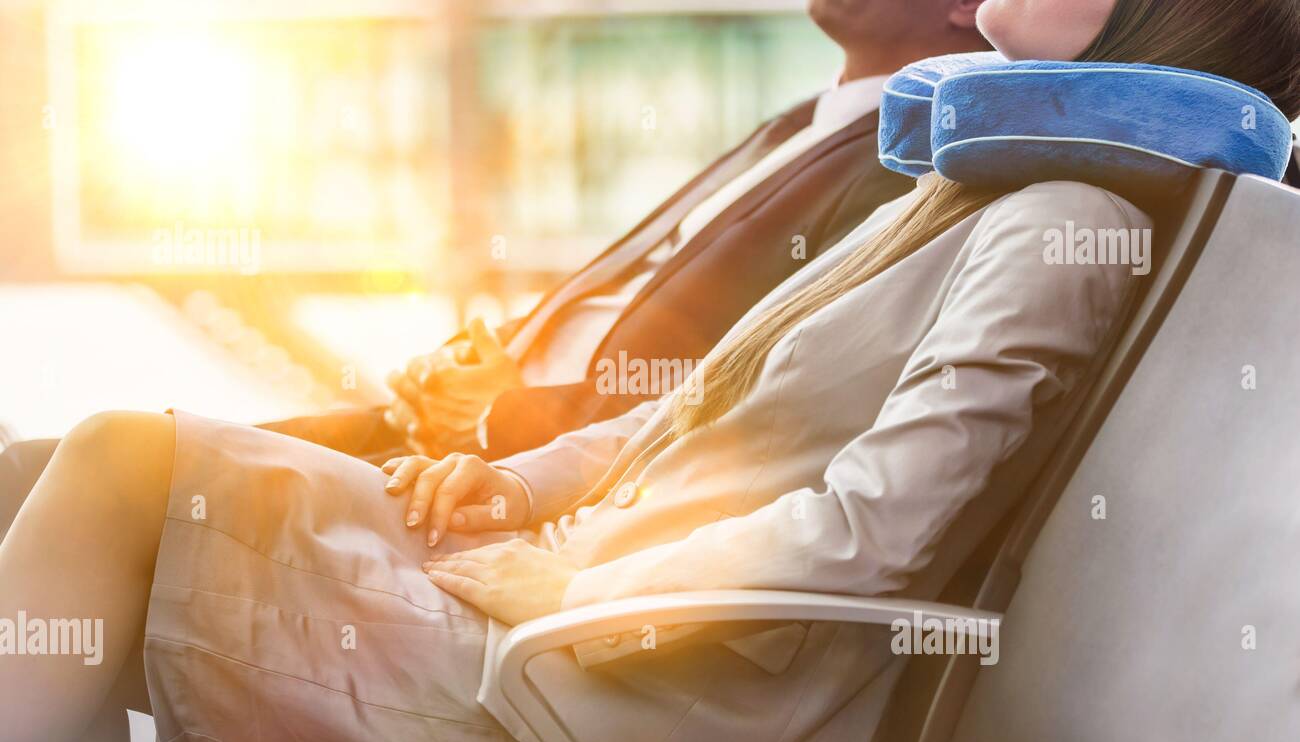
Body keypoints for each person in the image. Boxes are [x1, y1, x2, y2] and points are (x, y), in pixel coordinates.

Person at [2, 0, 1297, 742]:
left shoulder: (1060, 222)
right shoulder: (992, 197)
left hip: (621, 679)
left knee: (126, 465)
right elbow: (694, 410)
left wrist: (570, 577)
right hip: (590, 609)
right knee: (117, 476)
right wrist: (513, 488)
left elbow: (870, 541)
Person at [0, 0, 1000, 544]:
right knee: (20, 482)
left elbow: (749, 400)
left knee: (101, 473)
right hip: (439, 436)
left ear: (968, 9)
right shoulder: (794, 124)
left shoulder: (902, 163)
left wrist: (501, 416)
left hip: (492, 489)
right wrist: (488, 364)